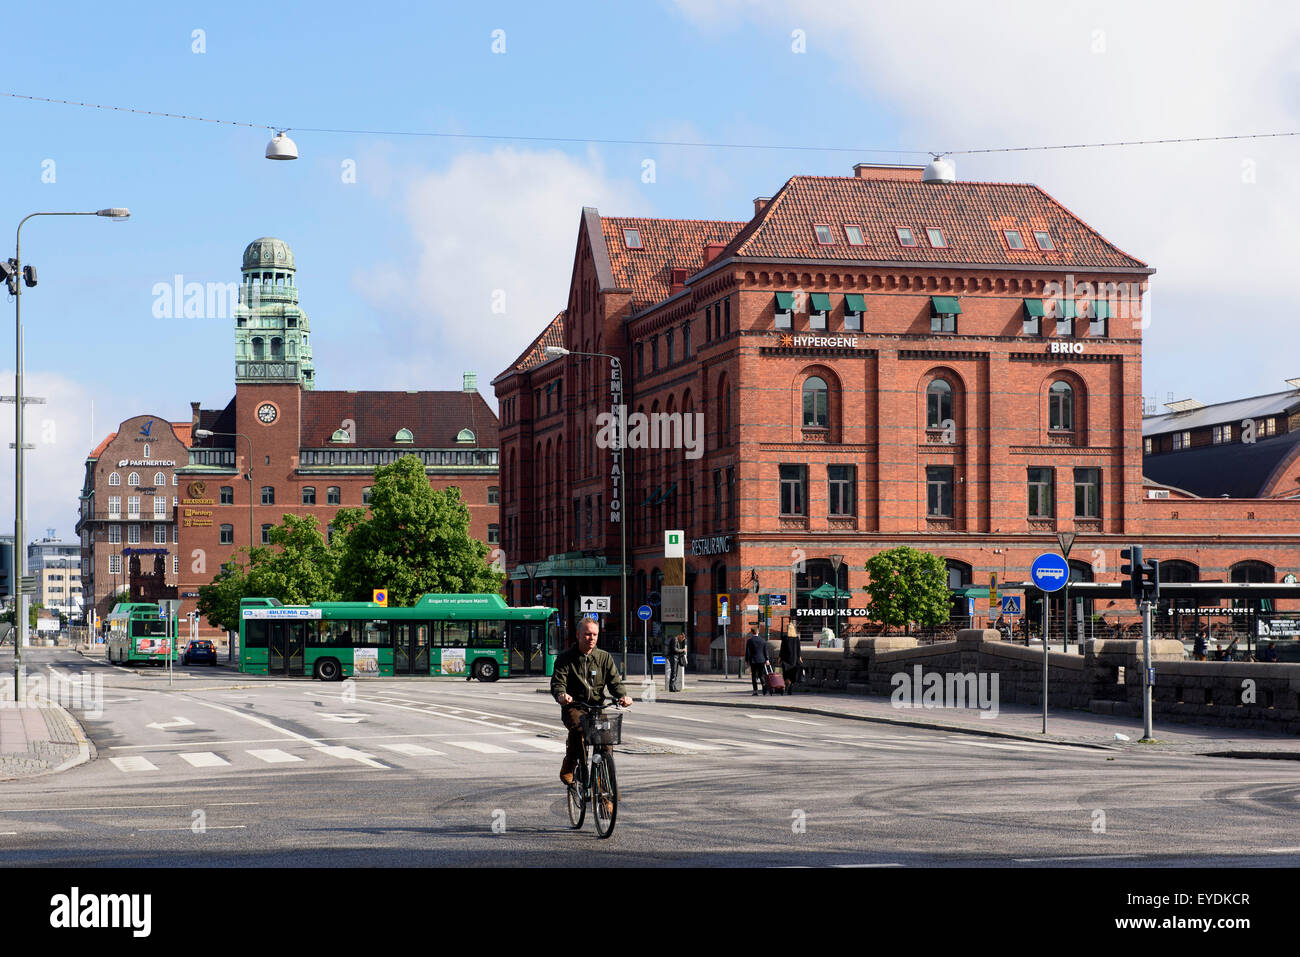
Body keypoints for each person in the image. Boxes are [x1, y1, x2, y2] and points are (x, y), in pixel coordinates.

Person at [550, 618, 632, 786]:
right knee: (579, 730)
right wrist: (562, 695)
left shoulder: (604, 658)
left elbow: (615, 682)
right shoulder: (565, 658)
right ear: (578, 635)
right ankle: (570, 763)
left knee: (606, 743)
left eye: (595, 634)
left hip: (597, 708)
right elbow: (558, 683)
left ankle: (607, 794)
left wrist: (623, 696)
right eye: (587, 634)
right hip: (574, 707)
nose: (591, 638)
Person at [744, 629, 769, 696]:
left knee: (754, 676)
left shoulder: (750, 641)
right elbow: (765, 651)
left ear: (752, 632)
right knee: (761, 675)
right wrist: (767, 660)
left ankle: (755, 691)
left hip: (753, 660)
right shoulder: (763, 640)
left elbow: (748, 652)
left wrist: (747, 660)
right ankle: (764, 688)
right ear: (758, 632)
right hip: (761, 660)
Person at [779, 626, 802, 695]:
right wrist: (799, 657)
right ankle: (790, 687)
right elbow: (799, 649)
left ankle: (785, 686)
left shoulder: (785, 638)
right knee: (792, 675)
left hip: (786, 660)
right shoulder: (797, 638)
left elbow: (782, 649)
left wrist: (780, 657)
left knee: (785, 675)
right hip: (794, 660)